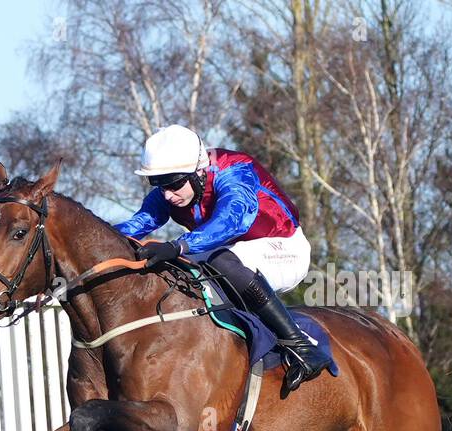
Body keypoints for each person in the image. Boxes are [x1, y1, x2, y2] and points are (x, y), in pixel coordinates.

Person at [114, 124, 332, 391]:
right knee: (189, 266)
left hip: (284, 248)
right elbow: (138, 224)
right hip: (236, 255)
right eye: (159, 185)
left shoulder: (234, 170)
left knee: (216, 260)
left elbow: (232, 221)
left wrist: (178, 246)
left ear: (199, 170)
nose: (168, 195)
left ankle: (301, 347)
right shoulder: (172, 189)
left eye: (174, 184)